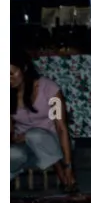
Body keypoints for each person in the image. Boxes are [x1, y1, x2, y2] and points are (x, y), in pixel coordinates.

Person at [10, 53, 76, 193]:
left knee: (34, 135)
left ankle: (63, 175)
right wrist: (14, 138)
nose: (9, 79)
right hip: (27, 147)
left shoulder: (49, 88)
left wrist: (68, 165)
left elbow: (61, 128)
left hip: (52, 141)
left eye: (11, 74)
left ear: (24, 68)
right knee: (12, 154)